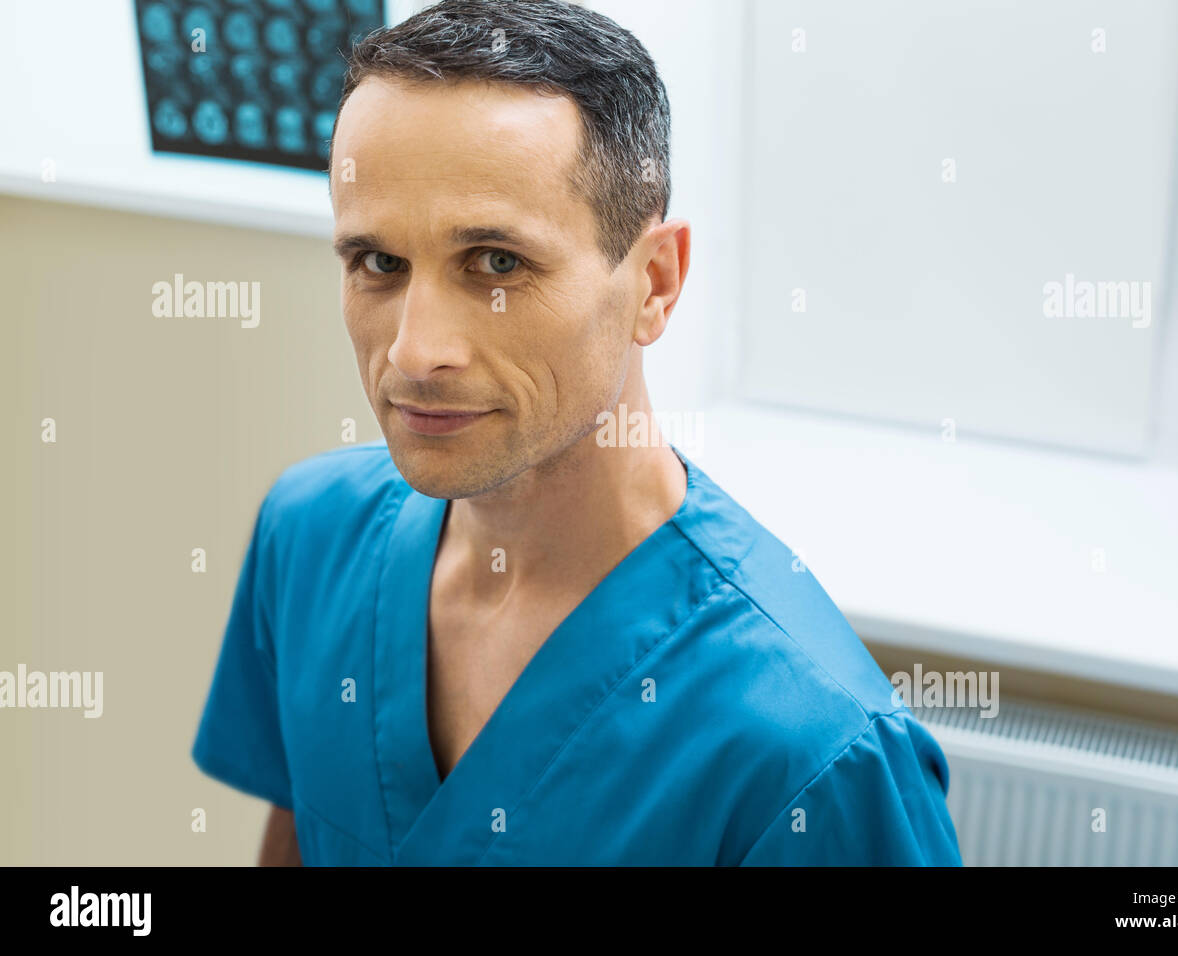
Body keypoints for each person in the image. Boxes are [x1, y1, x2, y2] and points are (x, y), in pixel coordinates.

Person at [192, 0, 963, 866]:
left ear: (656, 283)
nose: (414, 352)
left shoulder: (811, 751)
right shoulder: (309, 540)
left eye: (497, 264)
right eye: (379, 263)